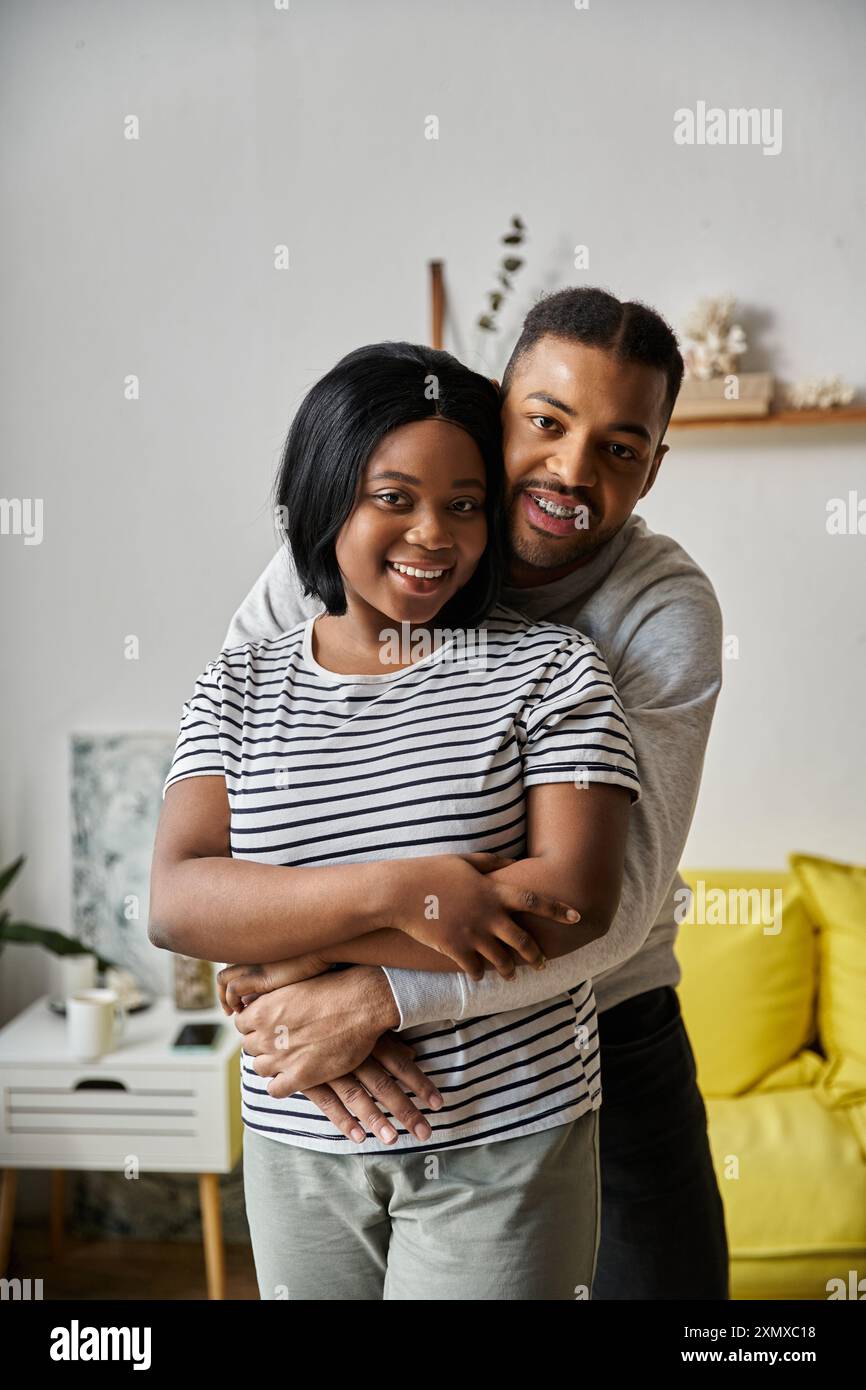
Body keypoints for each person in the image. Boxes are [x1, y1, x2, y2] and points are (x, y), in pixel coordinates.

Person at [218, 286, 730, 1301]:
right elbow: (225, 786)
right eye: (544, 422)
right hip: (323, 1024)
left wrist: (370, 995)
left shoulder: (657, 609)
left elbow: (612, 906)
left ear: (654, 467)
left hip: (593, 1033)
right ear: (493, 409)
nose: (570, 471)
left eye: (619, 448)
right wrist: (283, 981)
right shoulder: (344, 549)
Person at [149, 338, 641, 1300]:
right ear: (326, 495)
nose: (433, 535)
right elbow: (178, 901)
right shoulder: (237, 686)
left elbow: (576, 902)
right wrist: (409, 893)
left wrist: (298, 951)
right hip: (300, 1139)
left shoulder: (551, 670)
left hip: (505, 1144)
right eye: (394, 498)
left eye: (464, 505)